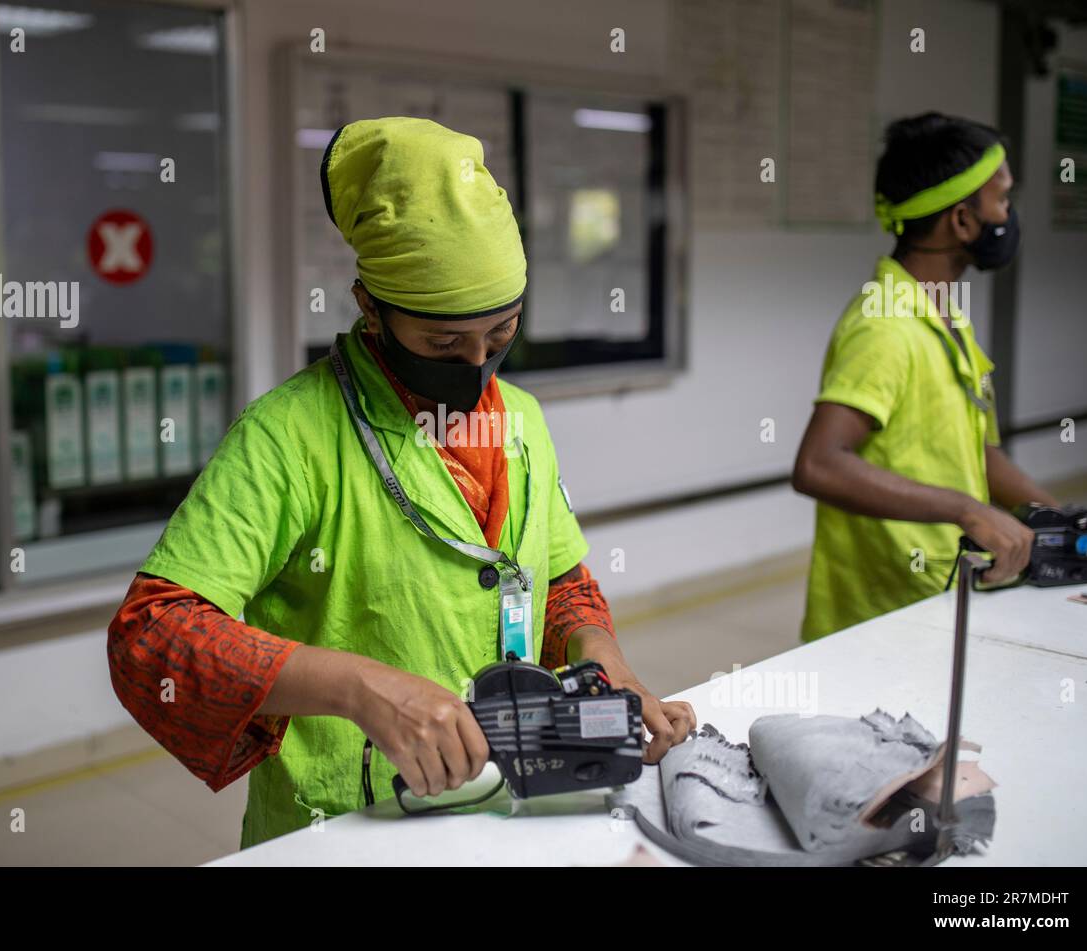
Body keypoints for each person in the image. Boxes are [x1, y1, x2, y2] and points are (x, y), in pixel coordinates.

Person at [107, 116, 696, 849]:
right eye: (443, 343)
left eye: (501, 334)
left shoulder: (521, 420)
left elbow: (558, 578)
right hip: (348, 825)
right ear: (371, 310)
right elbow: (153, 635)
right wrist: (360, 688)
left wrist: (604, 659)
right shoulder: (288, 436)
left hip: (512, 798)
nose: (477, 366)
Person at [792, 112, 1064, 642]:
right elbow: (819, 465)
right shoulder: (884, 327)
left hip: (942, 593)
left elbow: (976, 452)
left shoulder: (945, 316)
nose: (1009, 214)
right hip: (882, 616)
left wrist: (1061, 518)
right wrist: (967, 510)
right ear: (962, 221)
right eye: (1002, 199)